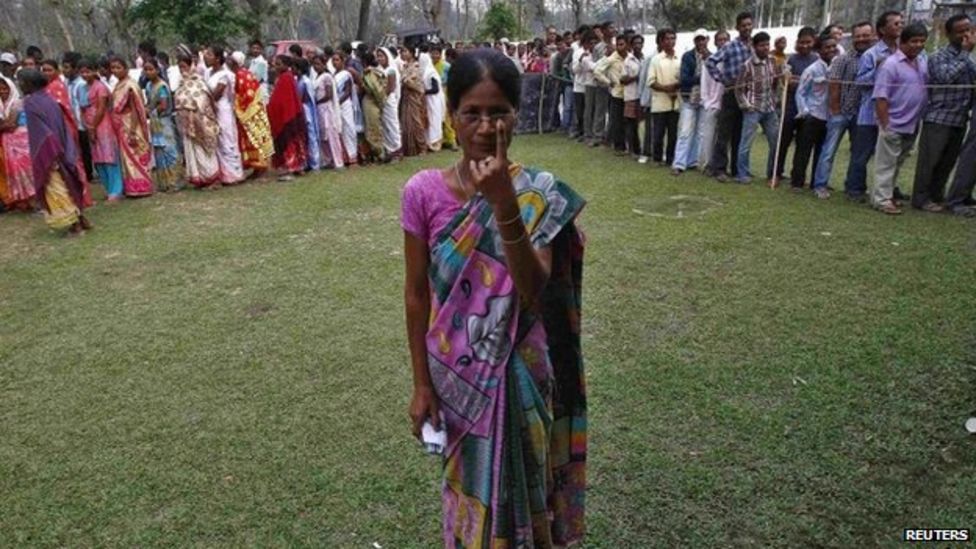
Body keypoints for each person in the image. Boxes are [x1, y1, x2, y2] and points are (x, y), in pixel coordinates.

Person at [401, 47, 586, 548]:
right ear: (452, 116)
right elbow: (416, 294)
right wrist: (421, 384)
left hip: (523, 370)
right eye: (472, 113)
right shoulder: (423, 192)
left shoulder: (538, 193)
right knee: (468, 493)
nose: (486, 127)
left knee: (528, 488)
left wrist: (503, 201)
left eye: (499, 112)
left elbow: (533, 290)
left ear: (517, 115)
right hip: (458, 377)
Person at [911, 15, 975, 212]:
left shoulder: (968, 59)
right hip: (939, 117)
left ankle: (936, 195)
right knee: (929, 162)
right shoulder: (939, 56)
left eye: (968, 30)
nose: (965, 35)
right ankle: (920, 198)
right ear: (948, 34)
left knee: (947, 162)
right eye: (960, 31)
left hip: (959, 118)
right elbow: (945, 77)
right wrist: (965, 53)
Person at [18, 69, 92, 234]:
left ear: (29, 84)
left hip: (48, 152)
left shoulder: (30, 103)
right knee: (68, 182)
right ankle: (80, 217)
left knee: (56, 188)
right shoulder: (49, 98)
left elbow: (40, 132)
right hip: (62, 146)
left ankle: (74, 223)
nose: (20, 85)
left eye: (21, 82)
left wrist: (47, 152)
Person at [844, 11, 904, 203]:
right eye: (895, 23)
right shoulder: (871, 54)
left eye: (901, 23)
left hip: (894, 114)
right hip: (869, 114)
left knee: (891, 157)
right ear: (882, 29)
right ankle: (854, 188)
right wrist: (878, 69)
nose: (900, 26)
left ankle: (887, 189)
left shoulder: (903, 52)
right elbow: (860, 82)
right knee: (861, 155)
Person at [871, 23, 929, 215]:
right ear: (903, 42)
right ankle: (881, 200)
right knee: (886, 164)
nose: (918, 45)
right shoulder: (890, 65)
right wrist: (885, 124)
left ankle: (888, 195)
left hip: (912, 124)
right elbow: (881, 97)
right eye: (914, 41)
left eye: (922, 41)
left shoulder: (921, 62)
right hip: (893, 123)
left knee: (897, 163)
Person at [814, 21, 875, 193]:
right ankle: (820, 185)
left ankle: (854, 187)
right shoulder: (843, 59)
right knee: (829, 151)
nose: (861, 39)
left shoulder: (874, 58)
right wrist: (835, 110)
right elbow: (834, 84)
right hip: (841, 113)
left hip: (862, 114)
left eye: (865, 35)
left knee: (859, 153)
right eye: (858, 36)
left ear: (872, 36)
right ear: (852, 38)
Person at [706, 11, 754, 181]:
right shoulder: (730, 46)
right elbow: (710, 62)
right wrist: (723, 79)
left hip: (748, 94)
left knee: (740, 134)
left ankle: (736, 169)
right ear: (737, 27)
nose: (747, 28)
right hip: (731, 93)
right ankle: (719, 169)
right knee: (724, 133)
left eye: (749, 24)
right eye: (743, 25)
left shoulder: (754, 47)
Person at [40, 58, 93, 207]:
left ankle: (80, 196)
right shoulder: (48, 87)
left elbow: (59, 110)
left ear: (57, 71)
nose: (46, 73)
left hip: (62, 128)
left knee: (71, 161)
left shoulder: (56, 86)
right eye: (44, 70)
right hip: (55, 128)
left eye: (49, 70)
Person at [791, 36, 838, 197]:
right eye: (827, 47)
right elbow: (801, 93)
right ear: (819, 50)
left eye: (833, 46)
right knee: (803, 151)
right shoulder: (811, 70)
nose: (831, 50)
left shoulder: (837, 68)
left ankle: (816, 182)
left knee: (822, 152)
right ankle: (797, 182)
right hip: (812, 115)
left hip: (828, 117)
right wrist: (805, 111)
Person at [735, 32, 781, 185]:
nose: (765, 48)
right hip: (753, 109)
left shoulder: (772, 61)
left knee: (775, 142)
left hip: (769, 108)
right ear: (754, 47)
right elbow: (738, 90)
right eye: (762, 45)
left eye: (767, 44)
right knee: (746, 143)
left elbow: (775, 83)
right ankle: (743, 174)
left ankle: (771, 175)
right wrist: (746, 105)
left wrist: (775, 99)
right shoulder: (747, 65)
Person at [774, 27, 819, 182]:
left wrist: (799, 81)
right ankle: (776, 173)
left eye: (808, 42)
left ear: (814, 42)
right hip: (790, 107)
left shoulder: (817, 60)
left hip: (808, 109)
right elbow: (786, 81)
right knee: (783, 142)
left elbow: (816, 85)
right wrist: (802, 82)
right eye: (802, 42)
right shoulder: (791, 59)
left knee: (803, 144)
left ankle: (797, 179)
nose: (805, 45)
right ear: (797, 42)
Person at [173, 52, 222, 189]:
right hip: (187, 124)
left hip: (200, 121)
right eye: (179, 67)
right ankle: (199, 178)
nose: (182, 70)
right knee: (193, 151)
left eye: (184, 66)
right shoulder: (181, 84)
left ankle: (212, 179)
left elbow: (205, 103)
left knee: (204, 151)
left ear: (191, 66)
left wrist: (196, 117)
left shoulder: (199, 82)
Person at [77, 58, 123, 201]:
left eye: (88, 71)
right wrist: (86, 124)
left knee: (108, 156)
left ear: (94, 71)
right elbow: (81, 108)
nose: (85, 75)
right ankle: (108, 188)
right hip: (88, 123)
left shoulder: (100, 87)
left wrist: (93, 126)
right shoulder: (81, 88)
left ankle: (116, 190)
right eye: (82, 72)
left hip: (103, 124)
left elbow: (102, 109)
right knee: (98, 158)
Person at [109, 56, 154, 197]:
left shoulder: (130, 86)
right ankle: (132, 187)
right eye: (113, 68)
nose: (115, 70)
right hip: (122, 125)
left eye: (118, 67)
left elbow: (135, 109)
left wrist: (133, 131)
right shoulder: (119, 85)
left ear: (126, 69)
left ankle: (142, 187)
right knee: (127, 157)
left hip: (131, 124)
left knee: (136, 153)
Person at [227, 51, 274, 177]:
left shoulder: (241, 75)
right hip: (254, 111)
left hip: (250, 112)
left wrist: (237, 109)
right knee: (254, 139)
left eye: (230, 60)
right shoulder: (244, 73)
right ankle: (257, 167)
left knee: (254, 139)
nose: (228, 62)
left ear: (235, 63)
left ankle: (261, 167)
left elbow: (244, 96)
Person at [672, 28, 711, 174]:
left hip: (705, 99)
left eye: (703, 39)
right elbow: (684, 79)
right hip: (689, 98)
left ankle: (693, 161)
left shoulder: (712, 57)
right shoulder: (688, 57)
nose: (701, 42)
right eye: (698, 39)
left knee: (700, 133)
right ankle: (679, 163)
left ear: (707, 40)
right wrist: (701, 79)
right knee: (685, 131)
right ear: (694, 41)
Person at [204, 46, 245, 184]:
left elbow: (216, 94)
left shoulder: (225, 75)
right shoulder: (208, 73)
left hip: (222, 110)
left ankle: (233, 174)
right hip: (211, 110)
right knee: (216, 140)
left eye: (209, 54)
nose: (206, 57)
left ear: (217, 58)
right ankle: (220, 173)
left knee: (226, 139)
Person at [141, 59, 183, 192]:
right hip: (155, 123)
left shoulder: (162, 86)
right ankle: (164, 183)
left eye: (151, 69)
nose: (148, 72)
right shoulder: (148, 86)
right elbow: (149, 102)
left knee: (169, 151)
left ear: (157, 70)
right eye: (146, 70)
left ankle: (175, 182)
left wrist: (150, 111)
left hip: (164, 122)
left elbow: (163, 105)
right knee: (159, 151)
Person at [267, 55, 308, 181]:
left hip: (288, 116)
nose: (276, 66)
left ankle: (291, 167)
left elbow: (285, 100)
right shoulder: (283, 77)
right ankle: (298, 166)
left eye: (279, 64)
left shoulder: (286, 78)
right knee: (292, 141)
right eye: (275, 64)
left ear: (286, 65)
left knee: (288, 142)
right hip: (286, 115)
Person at [0, 75, 35, 211]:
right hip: (8, 143)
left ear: (11, 89)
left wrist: (4, 125)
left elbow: (11, 125)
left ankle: (35, 201)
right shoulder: (2, 105)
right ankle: (23, 201)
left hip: (21, 142)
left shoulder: (16, 103)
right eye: (0, 89)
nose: (2, 92)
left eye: (5, 89)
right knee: (14, 171)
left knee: (26, 170)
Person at [647, 28, 681, 166]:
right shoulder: (656, 60)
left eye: (673, 38)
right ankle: (657, 158)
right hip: (660, 103)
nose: (670, 41)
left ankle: (670, 159)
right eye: (667, 38)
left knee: (673, 134)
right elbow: (651, 82)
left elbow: (682, 79)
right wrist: (666, 89)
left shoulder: (679, 58)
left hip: (675, 102)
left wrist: (676, 88)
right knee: (658, 133)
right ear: (661, 41)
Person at [699, 30, 730, 172]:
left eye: (725, 40)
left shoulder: (731, 61)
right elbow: (704, 85)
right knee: (708, 136)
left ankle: (720, 165)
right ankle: (707, 165)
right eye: (720, 40)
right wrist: (707, 103)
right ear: (715, 42)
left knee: (723, 138)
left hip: (727, 105)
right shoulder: (710, 62)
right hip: (712, 105)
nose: (723, 43)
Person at [594, 35, 628, 154]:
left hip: (629, 94)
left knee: (627, 121)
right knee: (617, 121)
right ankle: (618, 146)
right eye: (618, 45)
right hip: (617, 93)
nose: (620, 47)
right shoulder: (611, 58)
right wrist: (608, 82)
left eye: (622, 44)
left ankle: (626, 144)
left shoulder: (630, 58)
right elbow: (597, 71)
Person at [63, 52, 93, 182]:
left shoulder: (80, 84)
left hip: (81, 122)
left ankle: (88, 173)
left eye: (67, 67)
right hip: (72, 121)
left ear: (75, 69)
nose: (65, 70)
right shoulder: (66, 83)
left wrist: (82, 122)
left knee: (85, 148)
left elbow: (82, 105)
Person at [311, 54, 344, 170]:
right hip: (319, 109)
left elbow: (329, 95)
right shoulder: (317, 77)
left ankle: (338, 161)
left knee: (331, 134)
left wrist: (316, 101)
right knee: (323, 135)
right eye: (314, 64)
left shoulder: (327, 77)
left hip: (326, 108)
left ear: (324, 64)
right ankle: (328, 160)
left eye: (318, 64)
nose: (316, 66)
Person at [399, 47, 428, 157]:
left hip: (414, 97)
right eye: (402, 51)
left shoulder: (416, 66)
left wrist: (405, 80)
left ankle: (422, 147)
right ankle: (410, 149)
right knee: (406, 122)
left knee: (416, 122)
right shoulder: (405, 66)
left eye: (405, 51)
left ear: (411, 53)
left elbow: (414, 82)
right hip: (406, 97)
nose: (403, 53)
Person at [294, 58, 322, 172]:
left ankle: (315, 163)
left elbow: (308, 97)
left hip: (306, 110)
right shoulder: (298, 80)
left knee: (311, 136)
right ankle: (306, 161)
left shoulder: (306, 82)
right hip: (301, 109)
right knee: (304, 137)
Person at [333, 51, 360, 165]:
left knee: (349, 129)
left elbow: (348, 91)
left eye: (337, 60)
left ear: (342, 61)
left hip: (345, 105)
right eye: (333, 60)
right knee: (340, 129)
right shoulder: (334, 74)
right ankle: (344, 157)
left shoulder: (346, 74)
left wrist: (338, 102)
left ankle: (352, 156)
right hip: (336, 106)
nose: (334, 62)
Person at [360, 52, 388, 163]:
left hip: (371, 102)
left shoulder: (369, 73)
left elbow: (376, 90)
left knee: (372, 129)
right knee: (375, 127)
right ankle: (378, 153)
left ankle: (380, 153)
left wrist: (380, 102)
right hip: (375, 102)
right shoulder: (378, 71)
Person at [376, 47, 402, 161]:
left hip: (388, 100)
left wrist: (382, 97)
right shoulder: (380, 70)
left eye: (381, 56)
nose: (379, 58)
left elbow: (391, 87)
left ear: (387, 57)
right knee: (385, 125)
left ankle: (397, 150)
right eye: (378, 56)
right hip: (382, 100)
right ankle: (389, 150)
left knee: (392, 124)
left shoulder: (391, 70)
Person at [577, 30, 600, 147]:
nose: (593, 45)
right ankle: (588, 134)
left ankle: (597, 134)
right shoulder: (585, 57)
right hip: (590, 85)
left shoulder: (598, 55)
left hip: (600, 85)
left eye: (595, 43)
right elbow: (595, 68)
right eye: (591, 43)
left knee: (598, 111)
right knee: (589, 110)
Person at [622, 35, 644, 157]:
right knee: (631, 122)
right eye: (635, 43)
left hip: (642, 96)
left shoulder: (644, 59)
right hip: (631, 95)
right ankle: (631, 149)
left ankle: (639, 148)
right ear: (631, 45)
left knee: (640, 123)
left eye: (640, 43)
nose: (638, 46)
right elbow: (623, 79)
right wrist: (636, 77)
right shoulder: (628, 60)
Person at [431, 45, 456, 150]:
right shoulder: (429, 66)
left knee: (446, 117)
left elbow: (452, 81)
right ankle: (440, 140)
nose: (434, 56)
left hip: (444, 92)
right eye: (433, 53)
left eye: (436, 53)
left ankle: (452, 141)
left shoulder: (446, 66)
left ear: (440, 54)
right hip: (432, 95)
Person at [420, 52, 445, 152]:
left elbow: (435, 89)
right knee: (429, 120)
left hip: (434, 100)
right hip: (428, 99)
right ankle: (429, 142)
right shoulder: (424, 72)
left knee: (434, 120)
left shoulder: (431, 73)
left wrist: (424, 91)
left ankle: (435, 142)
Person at [248, 40, 270, 104]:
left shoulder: (262, 62)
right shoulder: (253, 61)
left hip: (260, 92)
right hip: (254, 91)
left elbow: (257, 79)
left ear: (261, 50)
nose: (255, 50)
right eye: (253, 48)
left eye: (257, 48)